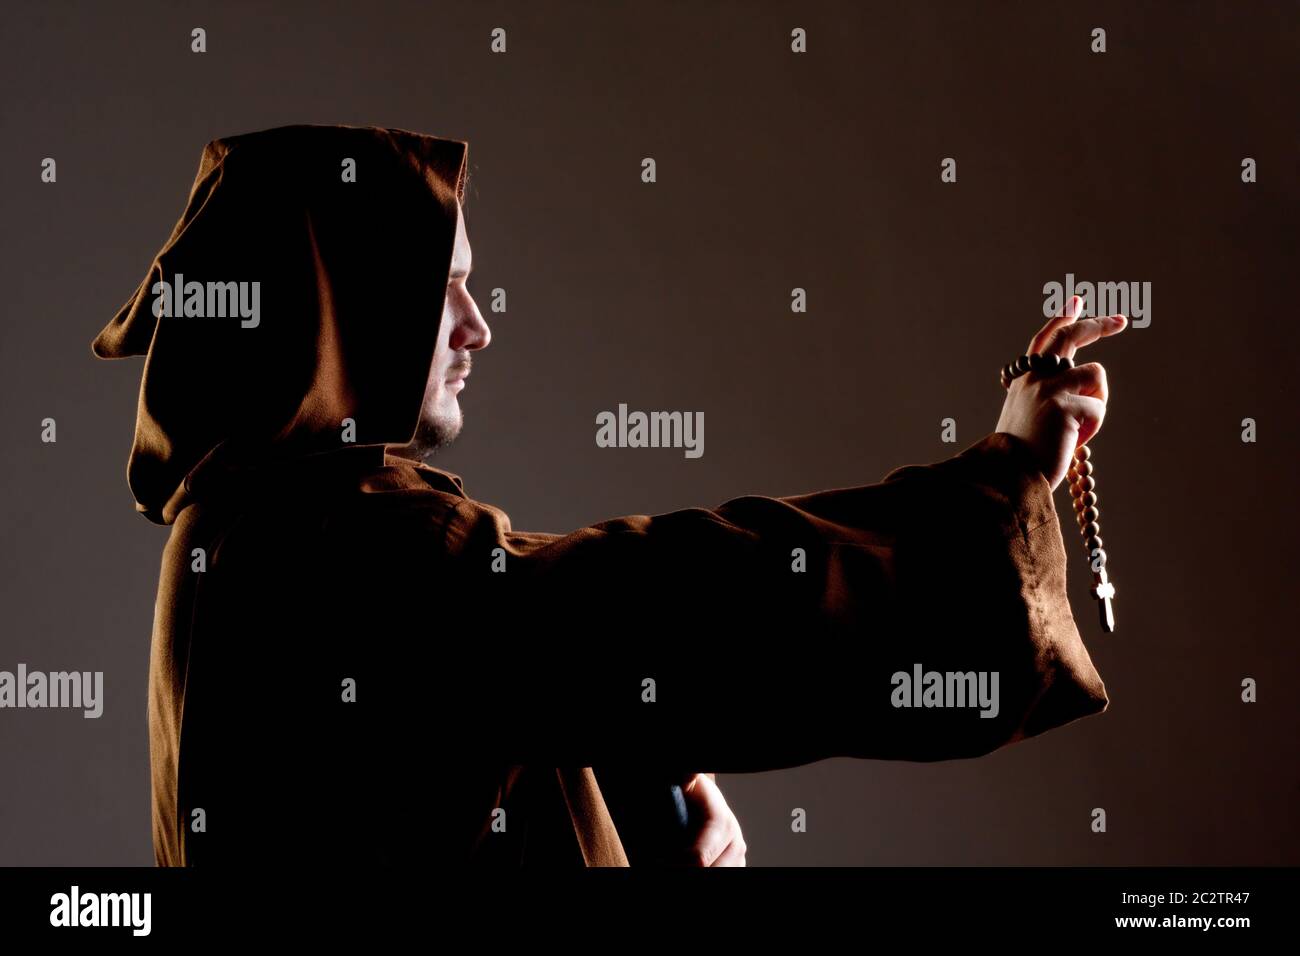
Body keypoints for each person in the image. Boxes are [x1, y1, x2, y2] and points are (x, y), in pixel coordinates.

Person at [93, 124, 1121, 868]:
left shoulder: (252, 523)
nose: (474, 326)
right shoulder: (338, 544)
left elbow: (508, 684)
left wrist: (644, 765)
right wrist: (1007, 472)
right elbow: (674, 606)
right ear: (339, 301)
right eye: (438, 286)